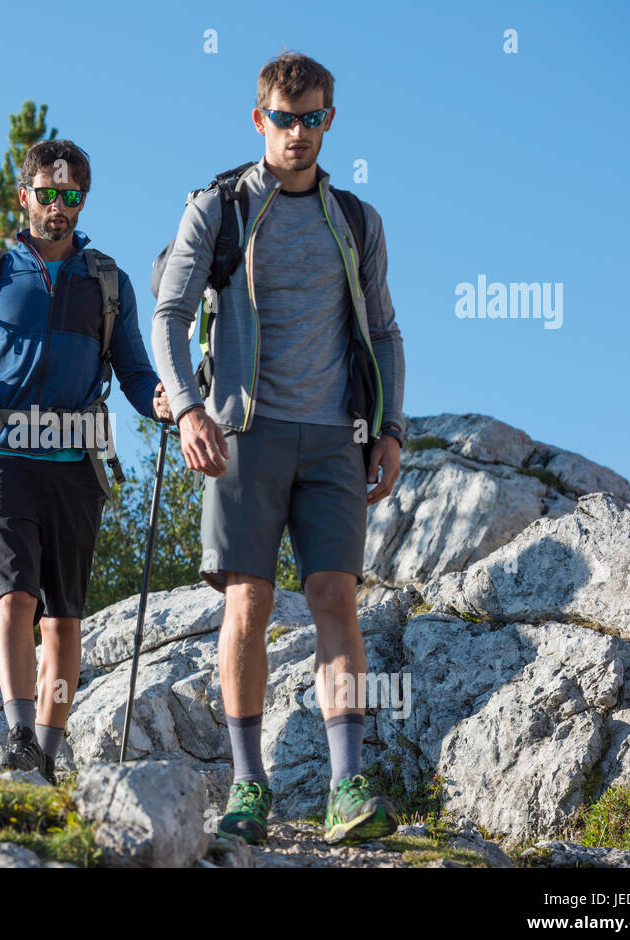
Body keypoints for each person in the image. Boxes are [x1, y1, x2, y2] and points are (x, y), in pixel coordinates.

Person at [151, 52, 407, 844]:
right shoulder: (218, 208)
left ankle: (344, 786)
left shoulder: (357, 220)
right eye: (285, 119)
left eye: (315, 119)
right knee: (249, 603)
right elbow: (168, 314)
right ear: (259, 120)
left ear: (330, 122)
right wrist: (191, 410)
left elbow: (387, 331)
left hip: (337, 434)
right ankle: (249, 783)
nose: (299, 134)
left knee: (335, 598)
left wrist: (391, 426)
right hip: (242, 435)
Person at [0, 139, 169, 784]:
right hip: (2, 456)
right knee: (14, 598)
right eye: (48, 194)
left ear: (84, 200)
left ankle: (48, 757)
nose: (59, 207)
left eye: (72, 196)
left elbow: (135, 372)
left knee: (63, 620)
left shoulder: (106, 281)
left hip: (76, 461)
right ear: (25, 196)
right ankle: (20, 733)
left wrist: (162, 400)